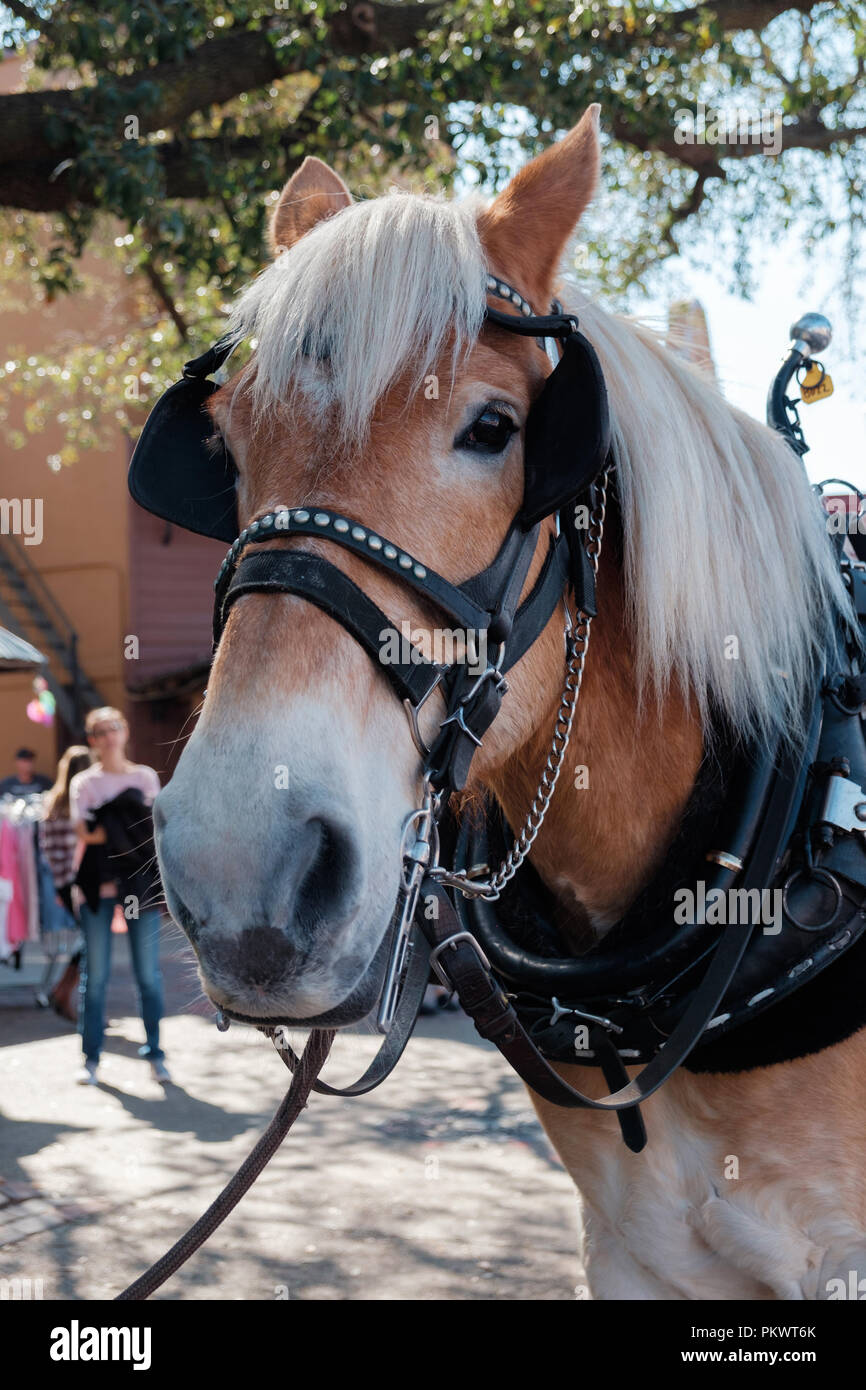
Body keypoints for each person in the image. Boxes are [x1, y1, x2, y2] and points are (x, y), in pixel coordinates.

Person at [69, 707, 169, 1086]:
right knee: (95, 977)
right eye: (100, 731)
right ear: (92, 739)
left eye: (114, 728)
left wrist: (107, 821)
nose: (109, 736)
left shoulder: (145, 777)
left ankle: (156, 1055)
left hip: (139, 889)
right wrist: (123, 821)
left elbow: (149, 831)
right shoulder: (84, 781)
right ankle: (91, 1059)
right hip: (98, 889)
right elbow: (85, 833)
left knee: (147, 974)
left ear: (125, 732)